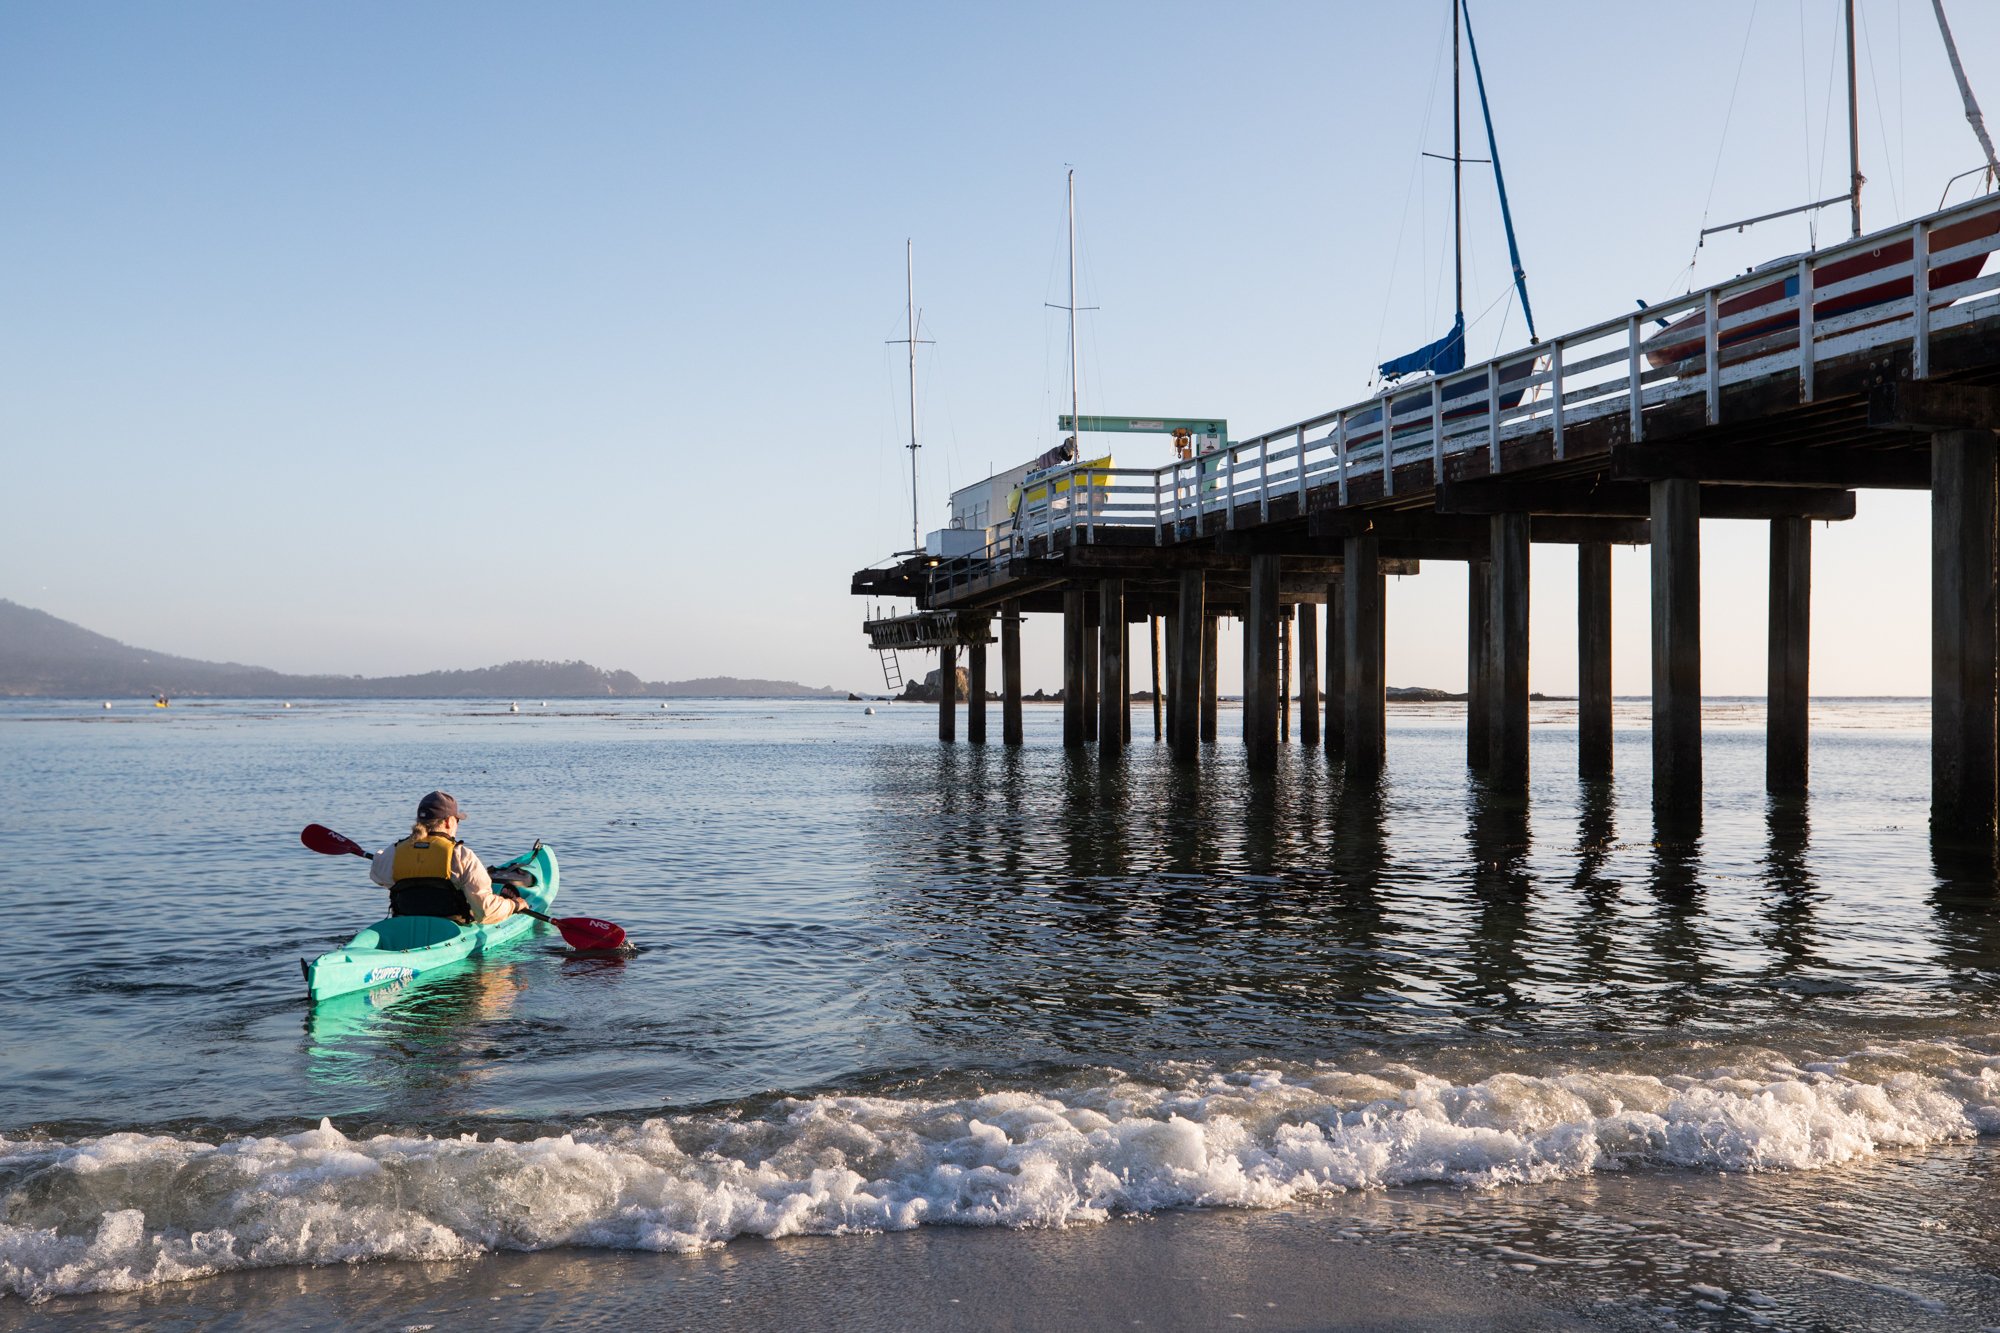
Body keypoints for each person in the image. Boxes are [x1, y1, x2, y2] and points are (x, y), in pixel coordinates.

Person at [368, 790, 520, 925]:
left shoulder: (392, 853)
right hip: (449, 930)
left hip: (404, 925)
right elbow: (486, 912)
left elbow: (379, 877)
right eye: (457, 820)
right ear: (448, 821)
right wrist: (514, 905)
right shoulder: (462, 856)